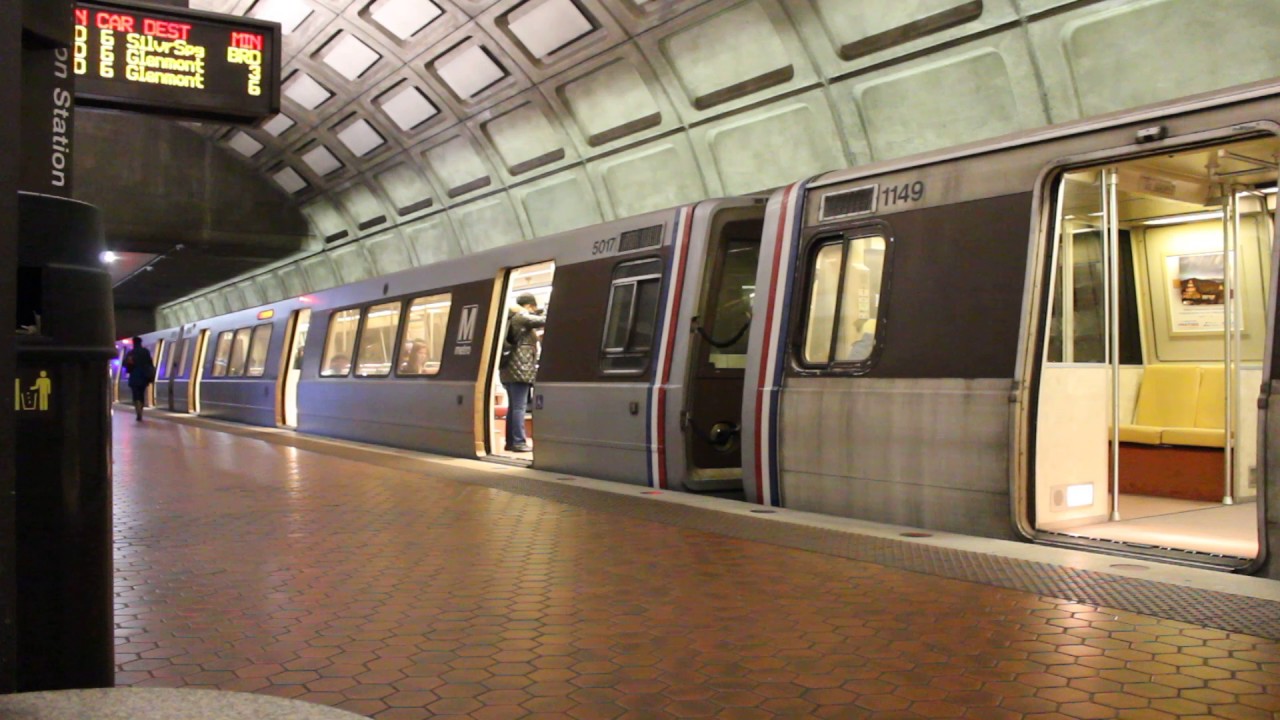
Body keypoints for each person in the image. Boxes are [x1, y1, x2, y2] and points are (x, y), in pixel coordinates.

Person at [499, 293, 546, 453]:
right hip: (520, 369)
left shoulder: (512, 318)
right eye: (532, 308)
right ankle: (519, 441)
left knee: (514, 407)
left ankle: (511, 441)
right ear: (528, 306)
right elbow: (543, 320)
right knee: (519, 407)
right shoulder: (520, 316)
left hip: (510, 369)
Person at [123, 337, 155, 422]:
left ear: (133, 343)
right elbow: (150, 364)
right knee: (141, 394)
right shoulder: (146, 352)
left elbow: (124, 364)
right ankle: (141, 409)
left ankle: (138, 412)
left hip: (134, 376)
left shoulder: (131, 353)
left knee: (135, 395)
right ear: (141, 342)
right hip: (144, 377)